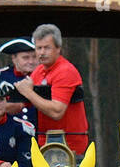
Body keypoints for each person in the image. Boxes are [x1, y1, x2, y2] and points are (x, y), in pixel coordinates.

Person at [12, 24, 90, 158]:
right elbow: (25, 105)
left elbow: (57, 111)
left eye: (47, 48)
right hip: (44, 143)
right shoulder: (38, 71)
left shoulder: (65, 71)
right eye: (38, 48)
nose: (42, 52)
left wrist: (29, 93)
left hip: (68, 145)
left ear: (58, 48)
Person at [0, 37, 38, 125]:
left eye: (35, 57)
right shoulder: (0, 76)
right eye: (25, 57)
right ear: (14, 58)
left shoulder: (45, 76)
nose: (31, 61)